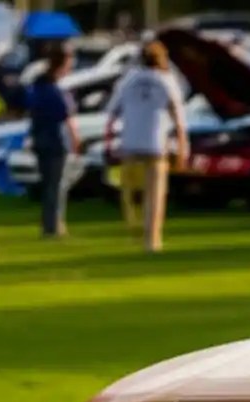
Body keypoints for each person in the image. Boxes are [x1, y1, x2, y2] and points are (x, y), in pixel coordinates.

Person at [104, 40, 187, 253]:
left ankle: (134, 225)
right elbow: (177, 116)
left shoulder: (128, 80)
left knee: (131, 190)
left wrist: (108, 142)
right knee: (155, 193)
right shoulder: (167, 81)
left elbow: (111, 114)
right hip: (156, 143)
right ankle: (152, 239)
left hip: (130, 142)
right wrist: (183, 145)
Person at [27, 44, 78, 239]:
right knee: (56, 186)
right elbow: (67, 118)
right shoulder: (55, 90)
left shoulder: (38, 86)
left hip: (40, 139)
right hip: (54, 141)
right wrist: (76, 141)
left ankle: (50, 223)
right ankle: (53, 226)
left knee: (48, 184)